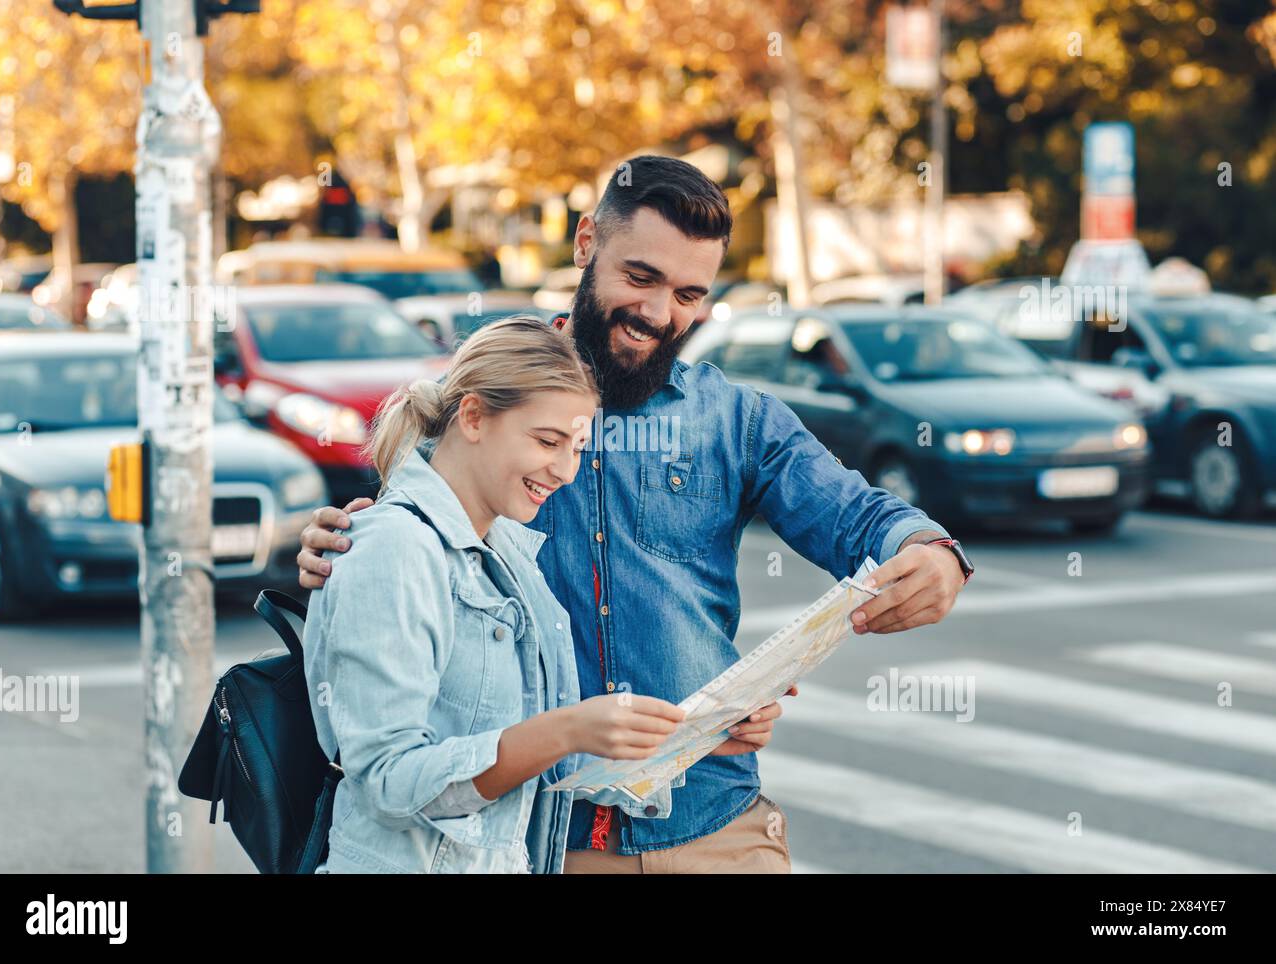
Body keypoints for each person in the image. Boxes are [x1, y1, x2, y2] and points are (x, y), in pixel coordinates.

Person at [299, 156, 971, 873]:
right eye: (641, 278)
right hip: (545, 839)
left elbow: (858, 516)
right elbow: (401, 567)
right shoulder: (482, 401)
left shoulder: (735, 420)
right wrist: (335, 548)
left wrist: (928, 551)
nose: (659, 314)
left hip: (717, 828)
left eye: (689, 294)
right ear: (586, 243)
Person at [303, 315, 686, 873]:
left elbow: (540, 761)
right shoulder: (396, 548)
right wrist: (563, 729)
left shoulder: (509, 551)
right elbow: (387, 779)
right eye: (548, 441)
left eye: (578, 447)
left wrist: (684, 736)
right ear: (475, 416)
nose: (564, 470)